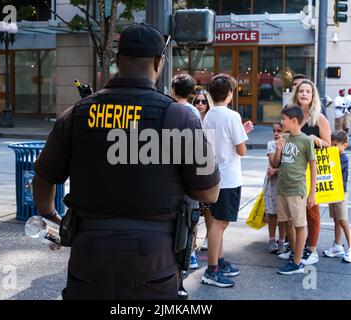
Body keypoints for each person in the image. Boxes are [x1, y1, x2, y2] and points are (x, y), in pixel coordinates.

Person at [32, 23, 221, 300]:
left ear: (117, 60)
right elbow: (210, 192)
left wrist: (52, 218)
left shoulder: (76, 114)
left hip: (89, 256)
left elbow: (43, 178)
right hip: (154, 260)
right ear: (159, 62)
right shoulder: (180, 117)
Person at [201, 73, 254, 288]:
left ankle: (220, 262)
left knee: (217, 221)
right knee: (219, 224)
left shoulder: (208, 116)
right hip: (228, 177)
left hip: (212, 175)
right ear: (230, 93)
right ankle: (212, 270)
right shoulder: (231, 116)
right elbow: (241, 150)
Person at [286, 79, 331, 265]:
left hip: (311, 170)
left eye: (308, 91)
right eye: (301, 91)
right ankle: (296, 247)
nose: (304, 94)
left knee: (312, 210)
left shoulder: (319, 118)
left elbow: (329, 145)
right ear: (296, 94)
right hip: (293, 170)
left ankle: (311, 250)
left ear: (313, 96)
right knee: (294, 212)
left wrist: (314, 138)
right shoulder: (291, 115)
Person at [273, 106, 317, 275]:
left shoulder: (305, 140)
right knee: (287, 222)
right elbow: (276, 164)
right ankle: (295, 254)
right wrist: (278, 148)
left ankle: (297, 262)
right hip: (282, 189)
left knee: (299, 224)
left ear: (294, 121)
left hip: (296, 189)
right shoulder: (284, 138)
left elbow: (313, 168)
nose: (281, 122)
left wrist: (312, 193)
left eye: (284, 119)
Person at [171, 73, 201, 270]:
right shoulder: (194, 112)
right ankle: (190, 253)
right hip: (189, 169)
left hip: (171, 168)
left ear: (173, 89)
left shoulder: (169, 109)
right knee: (191, 214)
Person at [323, 131, 351, 263]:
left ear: (344, 146)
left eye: (336, 145)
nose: (332, 147)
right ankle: (337, 246)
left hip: (340, 193)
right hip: (333, 192)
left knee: (343, 221)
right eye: (331, 144)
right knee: (336, 220)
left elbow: (334, 169)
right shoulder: (333, 155)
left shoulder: (343, 158)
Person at [192, 89, 214, 251]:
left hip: (207, 164)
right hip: (193, 165)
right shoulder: (191, 117)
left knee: (207, 208)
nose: (200, 104)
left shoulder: (211, 119)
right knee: (194, 207)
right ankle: (192, 242)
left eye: (203, 101)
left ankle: (208, 238)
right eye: (197, 101)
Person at [264, 121, 287, 254]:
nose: (276, 134)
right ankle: (272, 240)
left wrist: (277, 170)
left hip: (285, 183)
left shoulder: (290, 144)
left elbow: (290, 166)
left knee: (282, 214)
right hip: (272, 184)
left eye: (279, 131)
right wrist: (278, 148)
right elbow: (274, 162)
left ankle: (282, 241)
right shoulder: (271, 144)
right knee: (272, 213)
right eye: (274, 131)